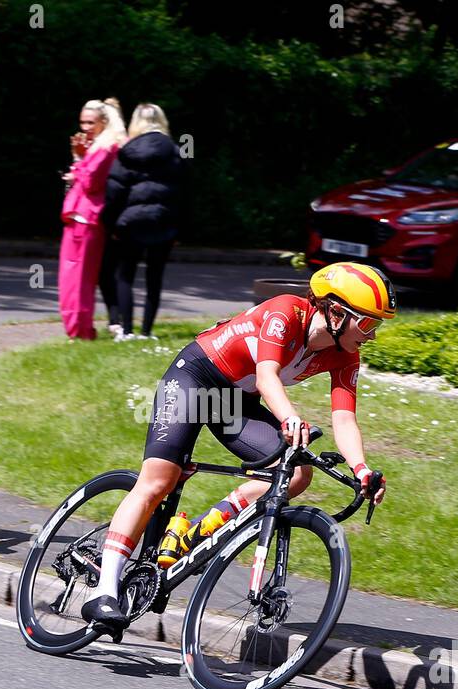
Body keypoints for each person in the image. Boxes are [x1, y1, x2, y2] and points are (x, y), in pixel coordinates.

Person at [80, 262, 396, 635]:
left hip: (232, 402)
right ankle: (103, 591)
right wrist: (290, 419)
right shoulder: (285, 311)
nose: (372, 336)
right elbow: (266, 376)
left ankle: (193, 533)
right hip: (195, 376)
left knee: (295, 474)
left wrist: (361, 469)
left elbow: (344, 418)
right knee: (158, 480)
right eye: (369, 325)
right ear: (337, 312)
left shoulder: (345, 354)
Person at [102, 103, 185, 340]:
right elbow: (185, 193)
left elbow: (114, 190)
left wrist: (111, 223)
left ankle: (126, 330)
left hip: (131, 221)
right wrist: (181, 227)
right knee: (154, 276)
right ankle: (147, 330)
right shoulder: (176, 152)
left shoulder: (127, 151)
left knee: (125, 274)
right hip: (164, 221)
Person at [58, 98, 125, 340]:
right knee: (70, 276)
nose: (85, 127)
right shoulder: (98, 146)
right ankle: (77, 329)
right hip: (79, 216)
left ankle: (81, 330)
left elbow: (91, 181)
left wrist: (78, 167)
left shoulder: (107, 147)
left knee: (80, 278)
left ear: (104, 122)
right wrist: (80, 158)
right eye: (82, 122)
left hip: (88, 218)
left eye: (91, 122)